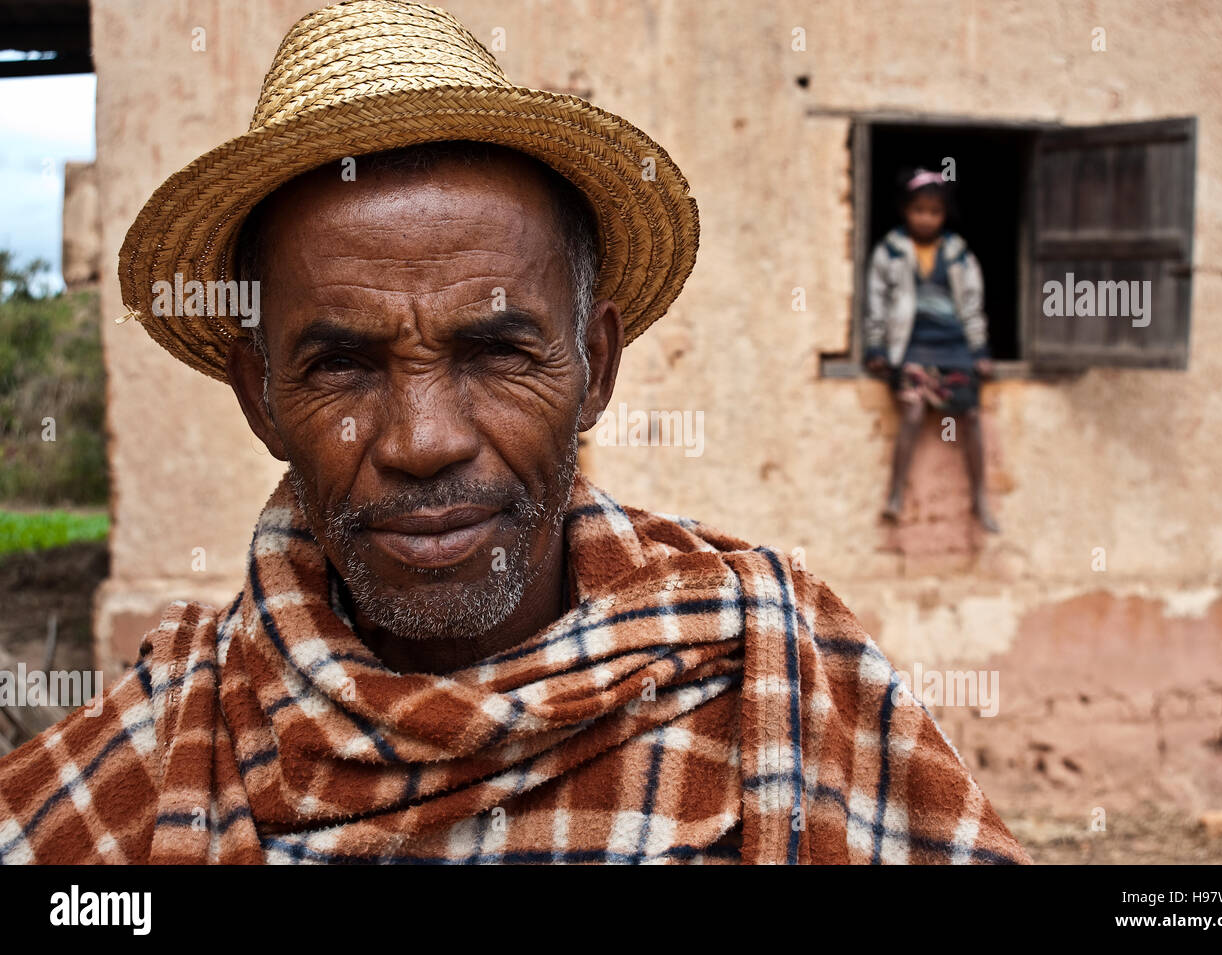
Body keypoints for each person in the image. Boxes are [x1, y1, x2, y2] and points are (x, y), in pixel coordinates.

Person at [0, 1, 1029, 865]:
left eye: (494, 351)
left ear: (597, 369)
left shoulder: (771, 670)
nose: (424, 438)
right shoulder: (170, 737)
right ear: (261, 399)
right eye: (343, 363)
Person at [865, 168, 1000, 533]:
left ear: (945, 215)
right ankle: (895, 494)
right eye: (919, 210)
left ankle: (980, 498)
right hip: (910, 348)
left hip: (953, 348)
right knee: (912, 409)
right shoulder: (890, 251)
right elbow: (877, 302)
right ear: (905, 210)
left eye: (934, 211)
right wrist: (876, 346)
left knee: (970, 416)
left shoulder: (958, 254)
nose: (926, 218)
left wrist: (979, 350)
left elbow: (972, 305)